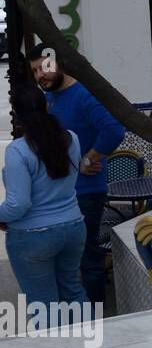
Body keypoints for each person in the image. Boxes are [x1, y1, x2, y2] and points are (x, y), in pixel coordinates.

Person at [28, 44, 126, 312]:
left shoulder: (84, 95)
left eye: (44, 68)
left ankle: (95, 320)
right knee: (69, 261)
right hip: (63, 194)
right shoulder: (51, 98)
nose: (40, 75)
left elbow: (114, 130)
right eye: (35, 71)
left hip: (86, 193)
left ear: (58, 64)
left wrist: (88, 159)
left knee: (89, 260)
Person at [0, 85, 89, 329]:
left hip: (32, 237)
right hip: (73, 227)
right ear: (47, 105)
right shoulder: (72, 139)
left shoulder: (17, 150)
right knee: (73, 292)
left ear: (16, 115)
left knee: (45, 305)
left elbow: (18, 205)